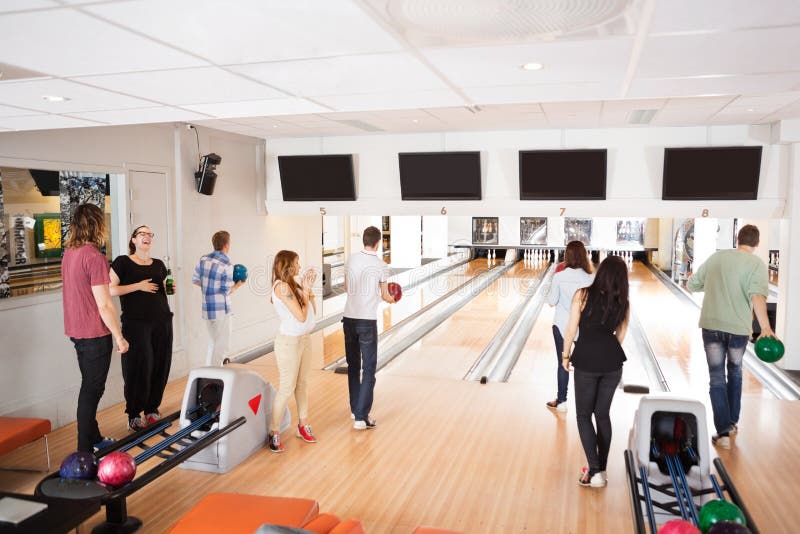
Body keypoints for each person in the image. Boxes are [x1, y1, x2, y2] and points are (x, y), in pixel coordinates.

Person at [686, 224, 776, 449]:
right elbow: (757, 297)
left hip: (712, 326)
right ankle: (732, 422)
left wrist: (697, 280)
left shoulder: (717, 258)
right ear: (756, 243)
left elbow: (693, 284)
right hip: (738, 330)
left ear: (737, 239)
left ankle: (723, 432)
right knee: (735, 372)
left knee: (717, 378)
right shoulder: (756, 264)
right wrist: (765, 328)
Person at [61, 203, 129, 453]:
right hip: (94, 333)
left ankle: (94, 437)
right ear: (98, 225)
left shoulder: (70, 253)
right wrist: (119, 337)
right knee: (92, 389)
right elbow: (104, 304)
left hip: (77, 331)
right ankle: (84, 452)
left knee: (89, 383)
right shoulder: (95, 257)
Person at [562, 255, 629, 488]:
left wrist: (565, 355)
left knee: (583, 415)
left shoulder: (582, 294)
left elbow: (570, 328)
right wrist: (607, 353)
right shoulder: (623, 302)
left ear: (600, 273)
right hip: (612, 362)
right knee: (602, 415)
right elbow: (620, 336)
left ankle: (594, 470)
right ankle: (602, 469)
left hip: (587, 360)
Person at [109, 226, 173, 432]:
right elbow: (110, 289)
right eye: (142, 234)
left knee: (160, 366)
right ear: (134, 240)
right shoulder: (122, 262)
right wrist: (138, 286)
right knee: (139, 367)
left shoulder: (159, 264)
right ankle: (135, 414)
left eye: (150, 234)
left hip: (162, 321)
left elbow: (166, 288)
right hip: (136, 324)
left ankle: (152, 409)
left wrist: (169, 287)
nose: (146, 237)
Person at [343, 226, 395, 430]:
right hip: (366, 321)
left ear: (364, 240)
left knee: (353, 367)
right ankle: (361, 417)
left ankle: (355, 408)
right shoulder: (381, 265)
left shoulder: (352, 259)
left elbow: (347, 288)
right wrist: (393, 299)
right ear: (378, 242)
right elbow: (384, 295)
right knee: (369, 368)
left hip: (348, 318)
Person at [267, 250, 317, 453]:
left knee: (302, 384)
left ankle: (302, 425)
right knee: (287, 388)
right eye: (296, 262)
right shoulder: (281, 287)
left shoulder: (293, 285)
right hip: (289, 343)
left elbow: (312, 309)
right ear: (287, 265)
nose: (299, 265)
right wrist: (305, 290)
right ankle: (274, 431)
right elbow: (301, 316)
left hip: (304, 341)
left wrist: (308, 289)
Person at [545, 241, 594, 411]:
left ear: (567, 256)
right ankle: (586, 403)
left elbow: (551, 302)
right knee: (583, 366)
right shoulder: (590, 278)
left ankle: (562, 401)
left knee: (562, 363)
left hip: (561, 325)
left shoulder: (559, 277)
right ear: (584, 256)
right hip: (583, 328)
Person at [192, 231, 244, 366]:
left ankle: (208, 376)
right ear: (227, 245)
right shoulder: (226, 264)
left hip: (207, 309)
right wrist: (238, 284)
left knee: (213, 342)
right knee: (222, 347)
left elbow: (196, 280)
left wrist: (210, 288)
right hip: (222, 311)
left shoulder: (203, 259)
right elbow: (227, 290)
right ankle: (215, 378)